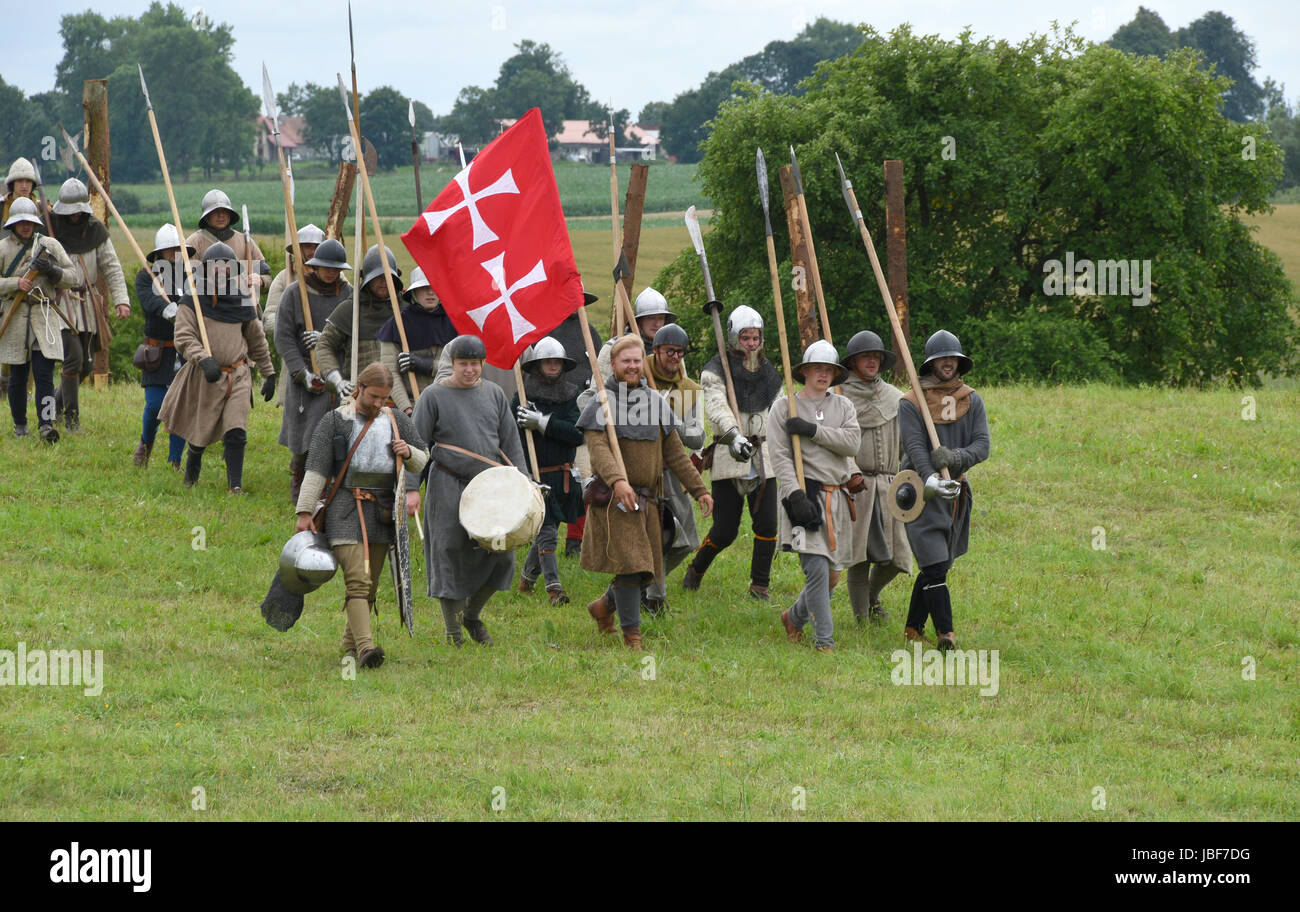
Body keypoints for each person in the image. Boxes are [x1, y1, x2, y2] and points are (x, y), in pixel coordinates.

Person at [581, 334, 713, 650]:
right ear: (613, 364)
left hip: (651, 500)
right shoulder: (602, 402)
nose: (632, 366)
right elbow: (598, 450)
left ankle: (603, 607)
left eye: (637, 361)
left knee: (648, 569)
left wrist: (699, 490)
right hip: (617, 500)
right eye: (626, 361)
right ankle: (633, 637)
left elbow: (675, 452)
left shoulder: (654, 401)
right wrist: (618, 482)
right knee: (631, 566)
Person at [294, 362, 428, 669]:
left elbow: (422, 459)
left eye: (385, 398)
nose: (379, 404)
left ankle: (348, 645)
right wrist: (304, 512)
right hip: (344, 508)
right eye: (374, 397)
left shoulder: (395, 420)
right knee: (357, 580)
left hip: (382, 513)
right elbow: (316, 469)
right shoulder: (335, 421)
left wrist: (408, 452)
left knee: (368, 585)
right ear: (360, 389)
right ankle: (367, 648)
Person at [413, 334, 529, 646]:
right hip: (447, 482)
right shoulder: (432, 396)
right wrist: (411, 488)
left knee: (502, 556)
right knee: (448, 551)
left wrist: (524, 484)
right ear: (452, 364)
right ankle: (452, 633)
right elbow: (415, 447)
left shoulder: (494, 394)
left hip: (491, 488)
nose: (470, 370)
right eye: (463, 363)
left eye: (475, 363)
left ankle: (472, 615)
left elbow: (510, 444)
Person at [158, 242, 276, 493]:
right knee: (200, 433)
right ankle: (191, 475)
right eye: (215, 267)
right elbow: (184, 336)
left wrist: (268, 373)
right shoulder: (193, 301)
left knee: (236, 430)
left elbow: (256, 338)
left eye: (226, 267)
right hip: (206, 374)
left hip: (239, 374)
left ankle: (235, 486)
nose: (221, 271)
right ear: (207, 270)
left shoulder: (243, 300)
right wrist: (203, 359)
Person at [898, 330, 990, 650]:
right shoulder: (911, 402)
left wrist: (955, 458)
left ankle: (912, 628)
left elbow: (982, 446)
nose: (947, 363)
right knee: (935, 563)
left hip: (956, 492)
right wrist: (930, 477)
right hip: (918, 492)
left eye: (951, 358)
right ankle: (946, 635)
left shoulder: (972, 399)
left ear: (959, 362)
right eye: (941, 359)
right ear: (930, 363)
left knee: (939, 563)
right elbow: (915, 446)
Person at [683, 305, 782, 600]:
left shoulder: (769, 371)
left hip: (764, 458)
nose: (751, 343)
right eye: (745, 338)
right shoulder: (715, 369)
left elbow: (778, 406)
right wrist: (734, 435)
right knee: (725, 530)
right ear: (733, 338)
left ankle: (759, 586)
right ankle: (696, 569)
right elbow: (716, 405)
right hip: (730, 453)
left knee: (767, 525)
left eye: (755, 338)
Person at [768, 340, 861, 653]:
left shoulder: (843, 406)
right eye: (818, 368)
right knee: (817, 571)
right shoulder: (784, 407)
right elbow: (779, 455)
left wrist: (812, 431)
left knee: (832, 577)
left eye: (829, 370)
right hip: (803, 495)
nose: (823, 374)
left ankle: (793, 618)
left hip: (836, 499)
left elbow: (851, 444)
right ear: (805, 371)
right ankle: (825, 642)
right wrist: (794, 496)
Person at [839, 330, 912, 625]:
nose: (871, 361)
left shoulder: (896, 398)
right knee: (859, 556)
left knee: (898, 557)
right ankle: (861, 621)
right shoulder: (840, 398)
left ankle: (871, 596)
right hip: (857, 486)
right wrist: (850, 472)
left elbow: (909, 443)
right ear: (854, 361)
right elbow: (835, 445)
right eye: (865, 356)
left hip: (891, 487)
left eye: (876, 356)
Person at [275, 239, 353, 504]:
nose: (331, 272)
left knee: (334, 437)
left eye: (336, 268)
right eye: (326, 267)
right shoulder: (295, 293)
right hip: (304, 377)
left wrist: (326, 338)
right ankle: (299, 481)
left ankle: (328, 489)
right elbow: (283, 336)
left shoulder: (348, 295)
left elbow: (355, 336)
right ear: (315, 266)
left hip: (336, 375)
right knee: (304, 440)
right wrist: (301, 372)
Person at [49, 178, 129, 432]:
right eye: (69, 212)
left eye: (77, 212)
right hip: (60, 302)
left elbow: (112, 268)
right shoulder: (50, 228)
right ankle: (72, 421)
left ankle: (54, 405)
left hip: (87, 303)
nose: (74, 217)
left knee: (87, 365)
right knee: (73, 357)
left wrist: (122, 301)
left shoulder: (95, 230)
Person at [513, 337, 585, 605]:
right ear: (538, 365)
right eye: (547, 361)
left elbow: (577, 433)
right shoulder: (522, 395)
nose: (553, 366)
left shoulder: (571, 395)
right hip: (535, 474)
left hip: (563, 475)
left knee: (549, 526)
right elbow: (511, 437)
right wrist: (524, 473)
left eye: (557, 361)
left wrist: (542, 422)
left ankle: (526, 582)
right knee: (547, 532)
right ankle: (555, 589)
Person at [0, 198, 78, 442]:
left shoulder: (49, 245)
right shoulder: (2, 248)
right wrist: (16, 283)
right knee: (18, 376)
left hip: (44, 316)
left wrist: (52, 271)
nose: (25, 226)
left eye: (29, 222)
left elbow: (72, 276)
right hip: (14, 317)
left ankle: (46, 424)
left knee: (44, 375)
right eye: (21, 222)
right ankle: (20, 425)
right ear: (14, 224)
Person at [642, 322, 704, 614]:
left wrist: (672, 423)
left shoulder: (688, 389)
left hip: (673, 471)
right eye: (670, 352)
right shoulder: (637, 377)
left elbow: (698, 436)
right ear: (656, 350)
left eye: (680, 353)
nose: (675, 358)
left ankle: (647, 586)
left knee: (685, 542)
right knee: (650, 540)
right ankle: (653, 597)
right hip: (641, 470)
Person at [538, 299, 600, 557]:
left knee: (583, 479)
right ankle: (541, 541)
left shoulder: (590, 330)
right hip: (551, 413)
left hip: (585, 411)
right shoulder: (546, 331)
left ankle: (576, 541)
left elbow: (599, 370)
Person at [132, 224, 192, 469]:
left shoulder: (191, 275)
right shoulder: (147, 276)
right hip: (157, 350)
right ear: (159, 253)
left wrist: (185, 308)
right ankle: (146, 443)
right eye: (169, 250)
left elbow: (199, 301)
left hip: (185, 350)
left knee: (180, 407)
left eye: (177, 249)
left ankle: (175, 460)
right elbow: (147, 300)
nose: (173, 254)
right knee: (155, 404)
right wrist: (166, 308)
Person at [315, 244, 401, 401]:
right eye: (377, 277)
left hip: (399, 398)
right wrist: (337, 381)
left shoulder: (405, 309)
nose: (383, 282)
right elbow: (323, 346)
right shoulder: (351, 308)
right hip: (359, 397)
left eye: (387, 276)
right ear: (367, 279)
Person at [379, 266, 457, 415]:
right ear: (414, 292)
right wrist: (407, 409)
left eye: (435, 286)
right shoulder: (397, 324)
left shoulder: (455, 322)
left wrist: (427, 365)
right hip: (412, 404)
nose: (431, 292)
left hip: (450, 403)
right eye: (424, 287)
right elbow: (389, 373)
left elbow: (464, 368)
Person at [263, 224, 325, 409]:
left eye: (316, 246)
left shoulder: (335, 278)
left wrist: (324, 335)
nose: (312, 251)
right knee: (295, 412)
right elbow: (268, 319)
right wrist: (294, 330)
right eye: (307, 246)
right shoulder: (284, 278)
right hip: (295, 356)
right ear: (298, 248)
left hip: (325, 355)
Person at [1, 158, 42, 396]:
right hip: (3, 276)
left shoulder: (41, 209)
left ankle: (22, 389)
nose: (24, 185)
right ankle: (4, 383)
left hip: (32, 286)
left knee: (30, 343)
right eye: (20, 181)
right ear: (12, 183)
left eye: (28, 181)